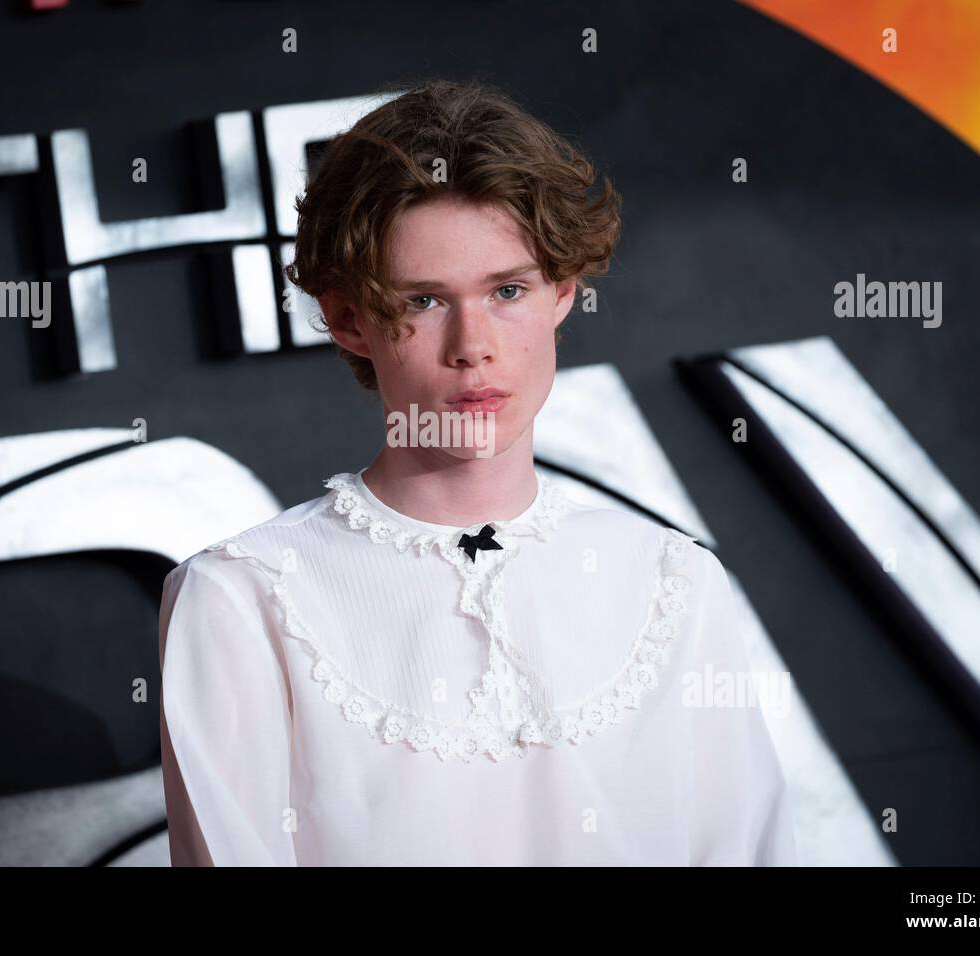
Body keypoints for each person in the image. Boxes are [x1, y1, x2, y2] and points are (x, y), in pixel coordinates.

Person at [157, 78, 797, 865]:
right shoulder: (239, 597)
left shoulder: (673, 579)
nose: (473, 344)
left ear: (562, 293)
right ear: (349, 318)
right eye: (424, 300)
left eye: (507, 290)